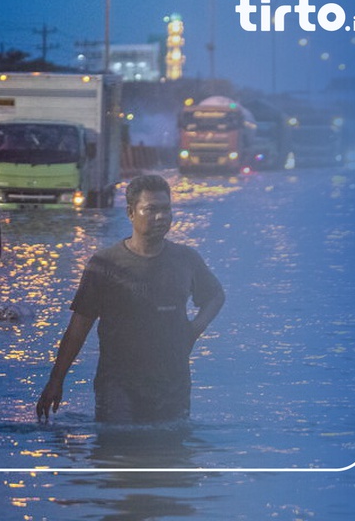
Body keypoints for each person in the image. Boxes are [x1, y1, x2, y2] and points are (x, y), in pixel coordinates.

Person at [36, 174, 225, 424]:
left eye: (166, 209)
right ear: (130, 213)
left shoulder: (185, 259)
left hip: (172, 386)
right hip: (119, 388)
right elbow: (78, 328)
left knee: (172, 445)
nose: (161, 217)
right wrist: (56, 380)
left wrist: (192, 331)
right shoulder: (105, 264)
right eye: (151, 209)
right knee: (119, 444)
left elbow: (215, 296)